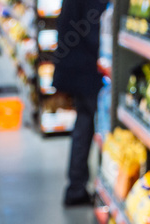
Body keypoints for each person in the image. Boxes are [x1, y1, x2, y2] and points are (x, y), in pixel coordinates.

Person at [53, 0, 109, 206]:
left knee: (84, 125)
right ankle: (104, 189)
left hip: (76, 65)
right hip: (87, 68)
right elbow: (94, 30)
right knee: (102, 127)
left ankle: (76, 187)